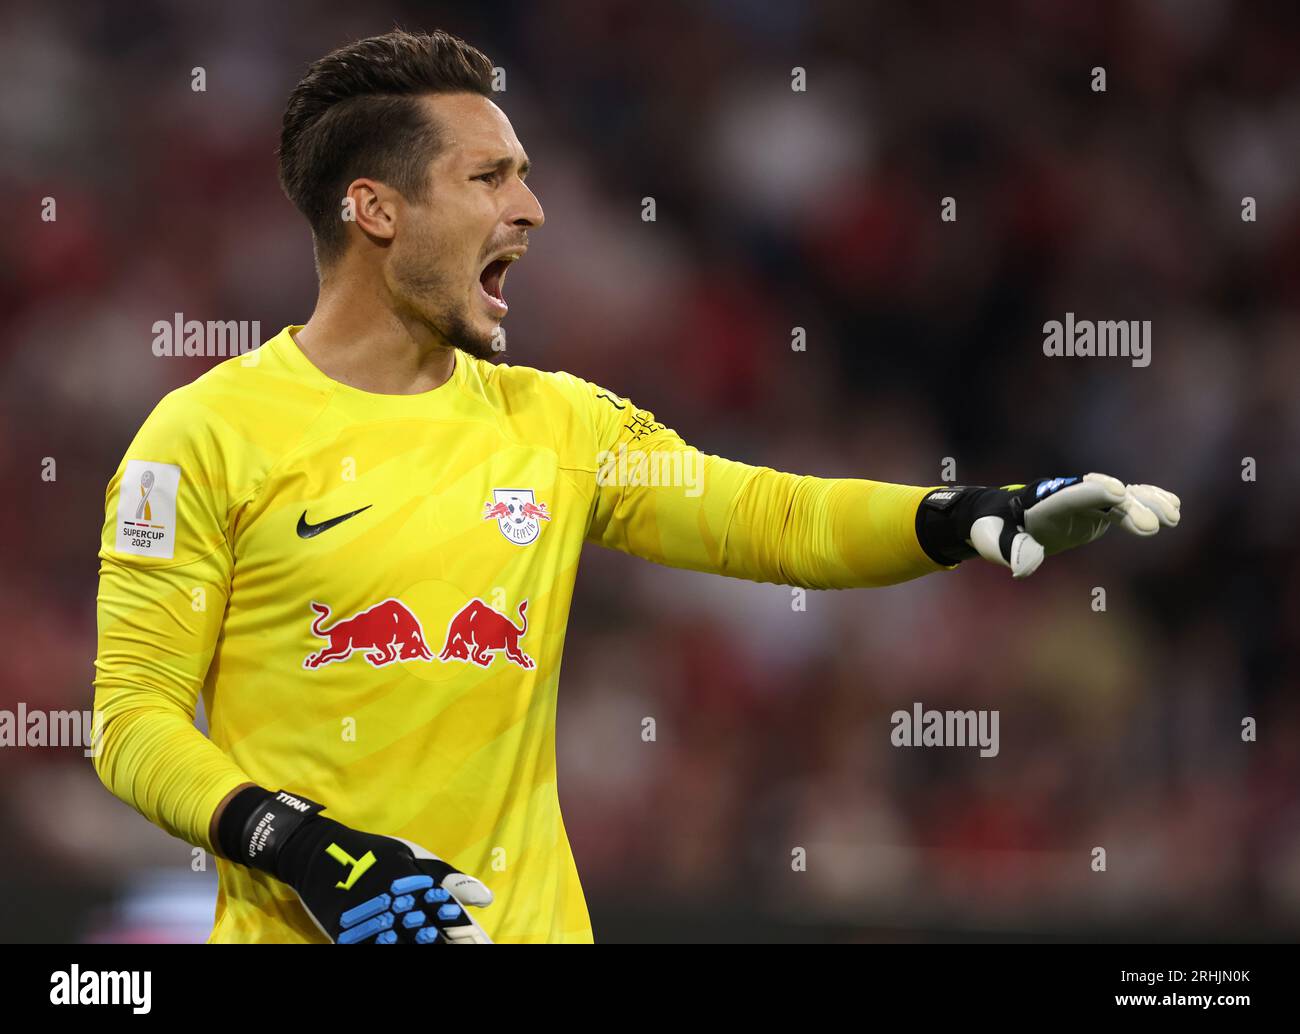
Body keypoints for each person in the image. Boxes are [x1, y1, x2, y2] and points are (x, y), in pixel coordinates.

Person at [92, 29, 1179, 944]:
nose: (533, 208)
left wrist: (955, 515)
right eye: (488, 177)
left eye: (522, 172)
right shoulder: (202, 435)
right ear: (377, 211)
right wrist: (303, 844)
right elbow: (131, 718)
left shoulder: (553, 422)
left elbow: (769, 516)